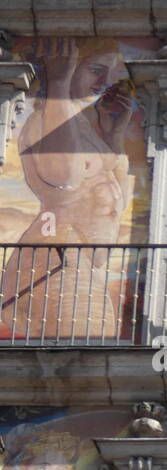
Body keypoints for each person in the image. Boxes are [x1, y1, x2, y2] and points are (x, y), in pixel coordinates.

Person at [0, 39, 134, 342]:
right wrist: (58, 85)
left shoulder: (84, 127)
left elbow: (119, 202)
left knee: (93, 362)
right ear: (69, 66)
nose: (104, 82)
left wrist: (114, 138)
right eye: (96, 70)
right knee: (77, 368)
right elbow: (65, 178)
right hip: (56, 259)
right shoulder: (45, 120)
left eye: (109, 74)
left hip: (81, 262)